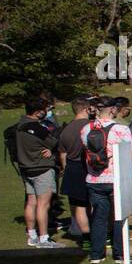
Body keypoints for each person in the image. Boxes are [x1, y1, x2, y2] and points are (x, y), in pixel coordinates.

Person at [81, 98, 132, 264]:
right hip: (115, 178)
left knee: (98, 216)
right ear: (113, 110)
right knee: (119, 216)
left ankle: (97, 254)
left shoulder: (86, 129)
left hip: (94, 178)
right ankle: (119, 253)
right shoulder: (121, 129)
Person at [11, 98, 61, 248]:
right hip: (42, 169)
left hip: (26, 168)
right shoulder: (36, 127)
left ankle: (32, 235)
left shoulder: (20, 125)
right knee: (43, 204)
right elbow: (53, 142)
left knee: (31, 202)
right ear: (38, 112)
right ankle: (44, 238)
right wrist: (51, 149)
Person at [57, 96, 93, 243]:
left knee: (79, 206)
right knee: (93, 203)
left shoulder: (66, 129)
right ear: (86, 109)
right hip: (89, 167)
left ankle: (85, 239)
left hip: (72, 167)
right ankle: (96, 235)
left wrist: (66, 169)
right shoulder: (92, 126)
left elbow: (63, 154)